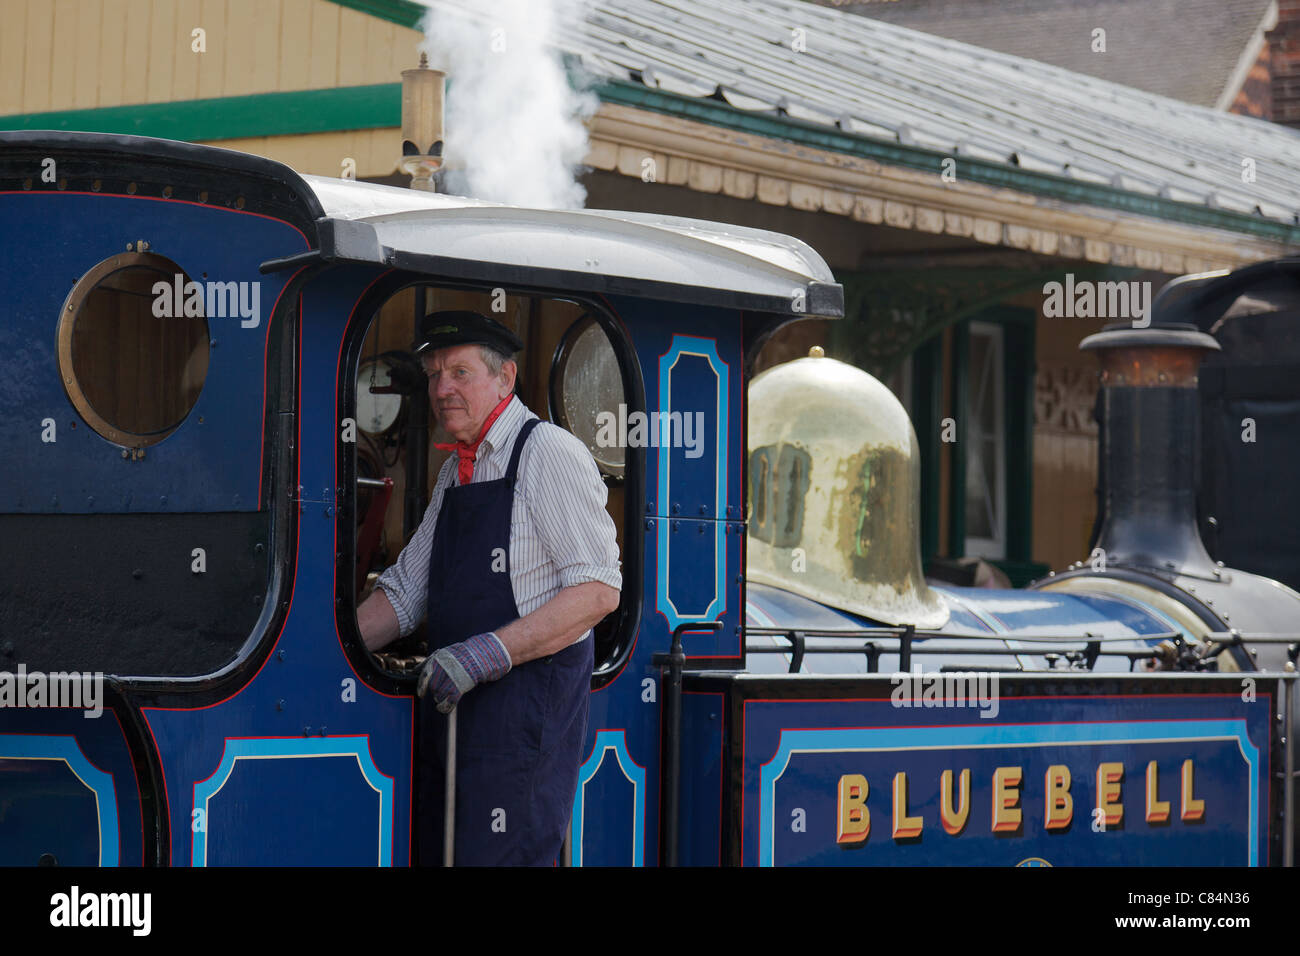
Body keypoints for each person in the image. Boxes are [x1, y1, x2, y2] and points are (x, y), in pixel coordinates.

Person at [357, 310, 621, 866]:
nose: (442, 388)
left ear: (505, 378)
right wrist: (326, 646)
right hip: (458, 724)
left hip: (521, 726)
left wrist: (487, 652)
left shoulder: (546, 452)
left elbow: (597, 590)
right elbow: (405, 594)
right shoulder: (458, 472)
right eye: (433, 374)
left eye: (459, 371)